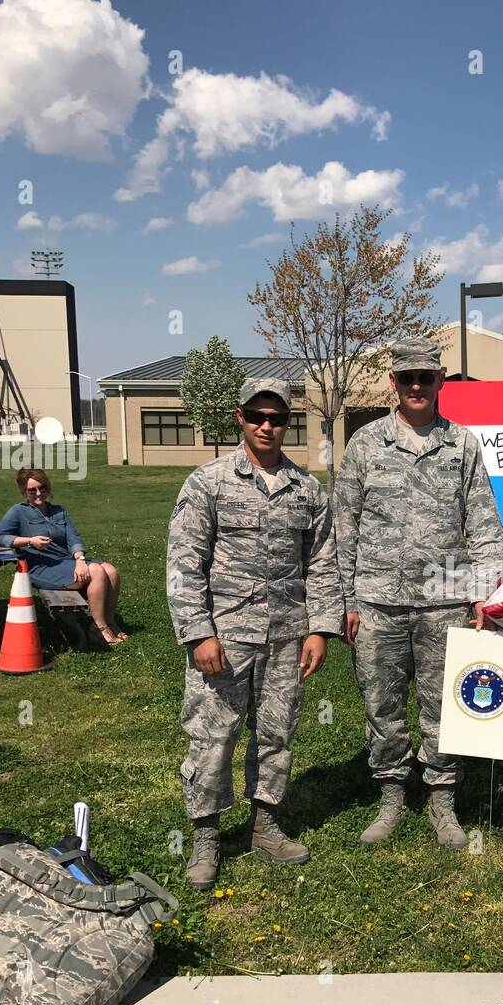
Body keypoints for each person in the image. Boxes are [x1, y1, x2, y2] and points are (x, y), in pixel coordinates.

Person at [166, 378, 344, 891]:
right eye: (257, 416)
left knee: (276, 733)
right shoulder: (209, 483)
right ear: (240, 418)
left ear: (289, 422)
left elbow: (323, 564)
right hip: (225, 636)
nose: (267, 425)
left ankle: (264, 824)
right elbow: (183, 565)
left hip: (288, 636)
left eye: (278, 418)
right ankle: (206, 836)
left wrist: (321, 629)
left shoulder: (307, 490)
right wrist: (198, 633)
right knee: (212, 735)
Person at [333, 337, 503, 849]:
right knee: (381, 704)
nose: (415, 386)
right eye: (406, 378)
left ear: (439, 382)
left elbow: (484, 527)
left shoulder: (463, 445)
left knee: (446, 706)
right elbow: (344, 528)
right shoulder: (365, 445)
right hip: (378, 601)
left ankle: (442, 798)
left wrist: (483, 595)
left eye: (425, 378)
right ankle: (391, 795)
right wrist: (345, 601)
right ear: (393, 383)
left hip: (446, 601)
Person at [0, 467, 127, 645]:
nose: (38, 493)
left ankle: (110, 622)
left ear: (48, 487)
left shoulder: (58, 511)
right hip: (41, 567)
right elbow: (1, 537)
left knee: (111, 570)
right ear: (24, 491)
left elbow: (73, 537)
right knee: (97, 570)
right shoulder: (18, 511)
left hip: (65, 562)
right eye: (32, 490)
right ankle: (98, 628)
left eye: (42, 488)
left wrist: (80, 560)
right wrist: (29, 540)